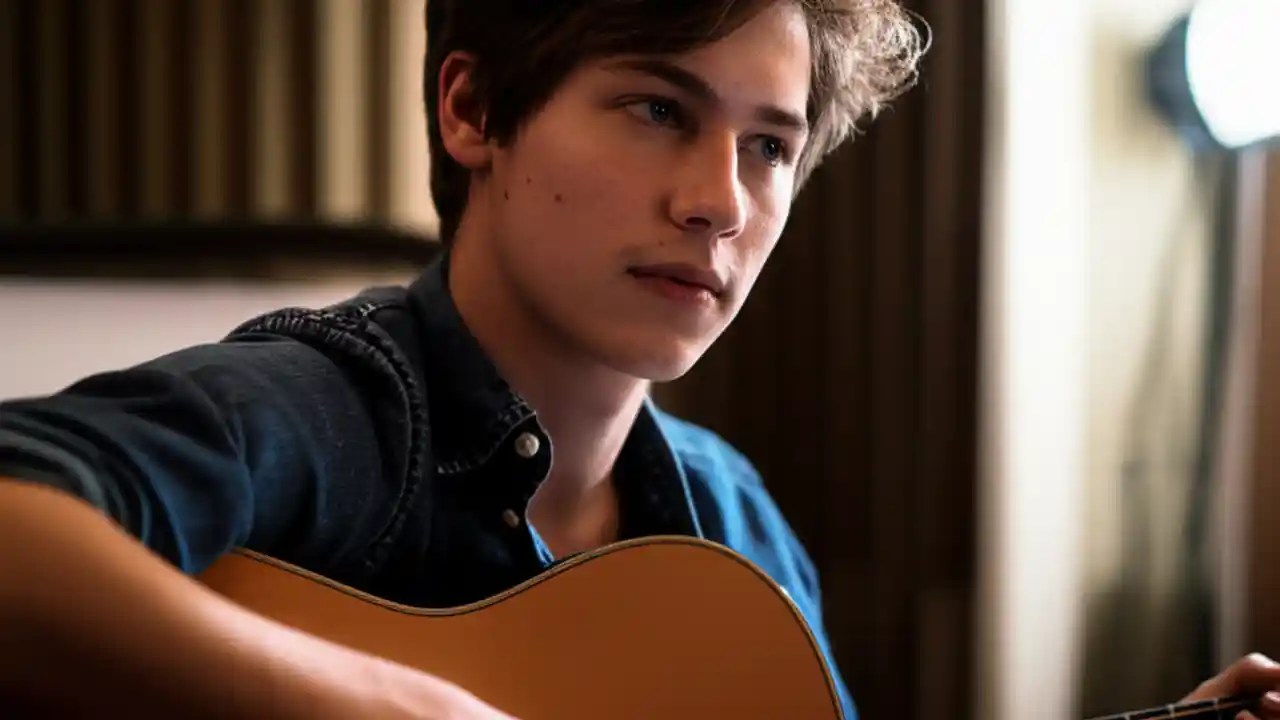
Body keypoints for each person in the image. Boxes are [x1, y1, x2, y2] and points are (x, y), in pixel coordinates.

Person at [0, 1, 1277, 718]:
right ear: (469, 113)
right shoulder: (328, 412)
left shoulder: (734, 530)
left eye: (769, 147)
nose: (719, 201)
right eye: (659, 109)